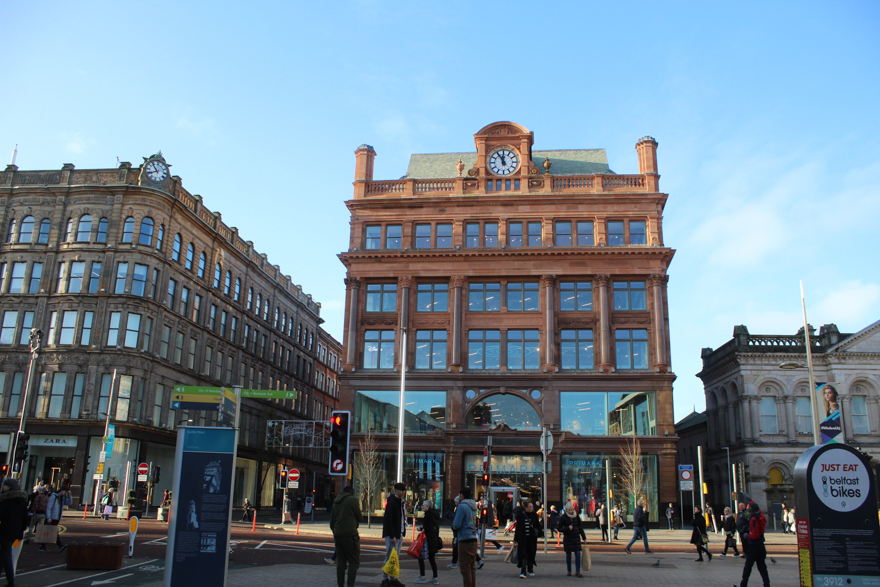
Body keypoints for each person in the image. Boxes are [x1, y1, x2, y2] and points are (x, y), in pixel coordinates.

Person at [330, 485, 362, 587]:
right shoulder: (352, 500)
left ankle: (340, 584)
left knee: (341, 561)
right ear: (352, 493)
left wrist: (335, 531)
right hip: (350, 534)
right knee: (353, 561)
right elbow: (360, 517)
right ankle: (350, 585)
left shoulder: (336, 501)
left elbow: (332, 520)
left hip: (338, 534)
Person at [0, 478, 28, 586]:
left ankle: (11, 580)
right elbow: (25, 518)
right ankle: (10, 580)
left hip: (5, 530)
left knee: (6, 555)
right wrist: (21, 530)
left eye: (4, 485)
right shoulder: (21, 500)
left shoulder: (6, 500)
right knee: (4, 554)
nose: (3, 487)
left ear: (9, 487)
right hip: (16, 532)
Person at [735, 502, 770, 587]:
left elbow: (755, 535)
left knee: (748, 566)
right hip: (761, 544)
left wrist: (747, 535)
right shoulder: (761, 516)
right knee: (762, 567)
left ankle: (743, 583)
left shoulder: (754, 519)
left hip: (754, 545)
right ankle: (766, 584)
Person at [452, 487, 479, 587]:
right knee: (472, 567)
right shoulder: (474, 506)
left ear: (462, 495)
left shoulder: (462, 507)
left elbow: (456, 525)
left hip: (464, 538)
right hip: (473, 538)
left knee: (465, 567)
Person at [381, 482, 407, 587]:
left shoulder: (399, 502)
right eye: (401, 490)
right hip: (393, 534)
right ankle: (385, 579)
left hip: (399, 532)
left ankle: (392, 578)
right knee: (390, 556)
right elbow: (388, 520)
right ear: (396, 490)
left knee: (394, 557)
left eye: (404, 490)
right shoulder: (392, 502)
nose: (403, 492)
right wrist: (392, 535)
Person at [415, 499, 440, 584]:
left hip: (427, 539)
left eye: (424, 505)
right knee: (432, 558)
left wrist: (421, 529)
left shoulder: (428, 516)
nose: (422, 506)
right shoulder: (435, 515)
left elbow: (427, 528)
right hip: (434, 539)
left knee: (420, 556)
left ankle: (422, 576)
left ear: (428, 507)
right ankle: (435, 577)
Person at [514, 500, 541, 578]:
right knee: (523, 554)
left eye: (532, 507)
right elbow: (518, 528)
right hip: (523, 539)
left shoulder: (534, 515)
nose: (531, 508)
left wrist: (540, 534)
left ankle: (530, 569)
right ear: (525, 507)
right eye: (529, 507)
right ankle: (523, 571)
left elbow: (537, 525)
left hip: (532, 539)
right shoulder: (520, 515)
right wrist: (516, 539)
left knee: (531, 553)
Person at [560, 502, 586, 577]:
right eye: (569, 510)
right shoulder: (563, 517)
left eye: (572, 509)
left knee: (578, 554)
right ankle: (569, 571)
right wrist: (567, 528)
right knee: (568, 555)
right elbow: (559, 528)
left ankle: (577, 571)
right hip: (568, 538)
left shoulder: (576, 516)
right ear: (566, 510)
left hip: (576, 538)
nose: (571, 511)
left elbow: (580, 527)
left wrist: (584, 537)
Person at [42, 486, 70, 552]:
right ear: (61, 490)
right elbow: (49, 507)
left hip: (57, 517)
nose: (65, 493)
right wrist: (49, 517)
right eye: (65, 492)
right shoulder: (54, 497)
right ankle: (60, 545)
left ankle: (43, 546)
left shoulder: (62, 498)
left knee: (50, 531)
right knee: (54, 531)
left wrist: (69, 496)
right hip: (52, 517)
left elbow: (69, 503)